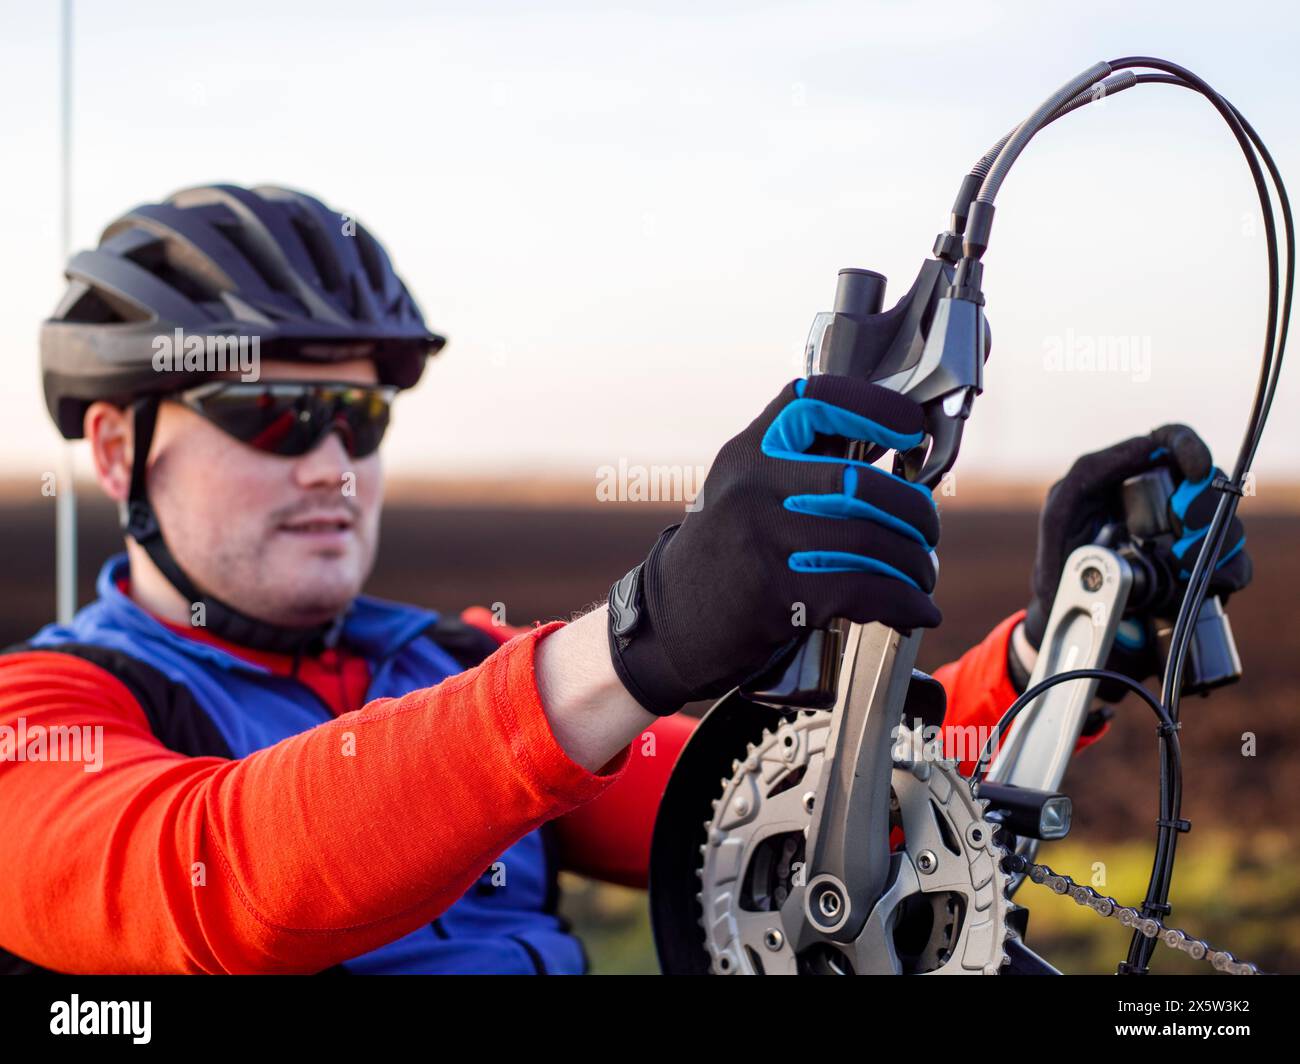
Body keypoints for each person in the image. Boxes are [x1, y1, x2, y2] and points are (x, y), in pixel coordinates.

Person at [0, 184, 1251, 974]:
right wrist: (636, 639)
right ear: (117, 448)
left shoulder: (454, 664)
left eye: (359, 415)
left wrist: (1073, 641)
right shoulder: (43, 713)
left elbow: (808, 817)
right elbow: (213, 884)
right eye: (277, 411)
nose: (333, 461)